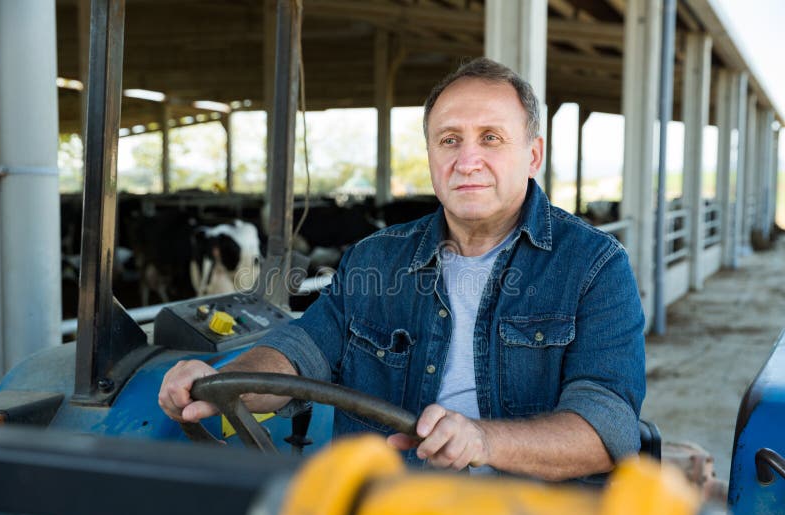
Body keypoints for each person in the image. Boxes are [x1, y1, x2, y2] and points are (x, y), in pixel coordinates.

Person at [159, 57, 645, 481]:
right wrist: (225, 378)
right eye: (449, 139)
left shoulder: (594, 266)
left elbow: (607, 428)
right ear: (431, 155)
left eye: (491, 138)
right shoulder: (374, 258)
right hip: (385, 510)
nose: (467, 160)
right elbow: (301, 348)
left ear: (532, 154)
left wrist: (482, 440)